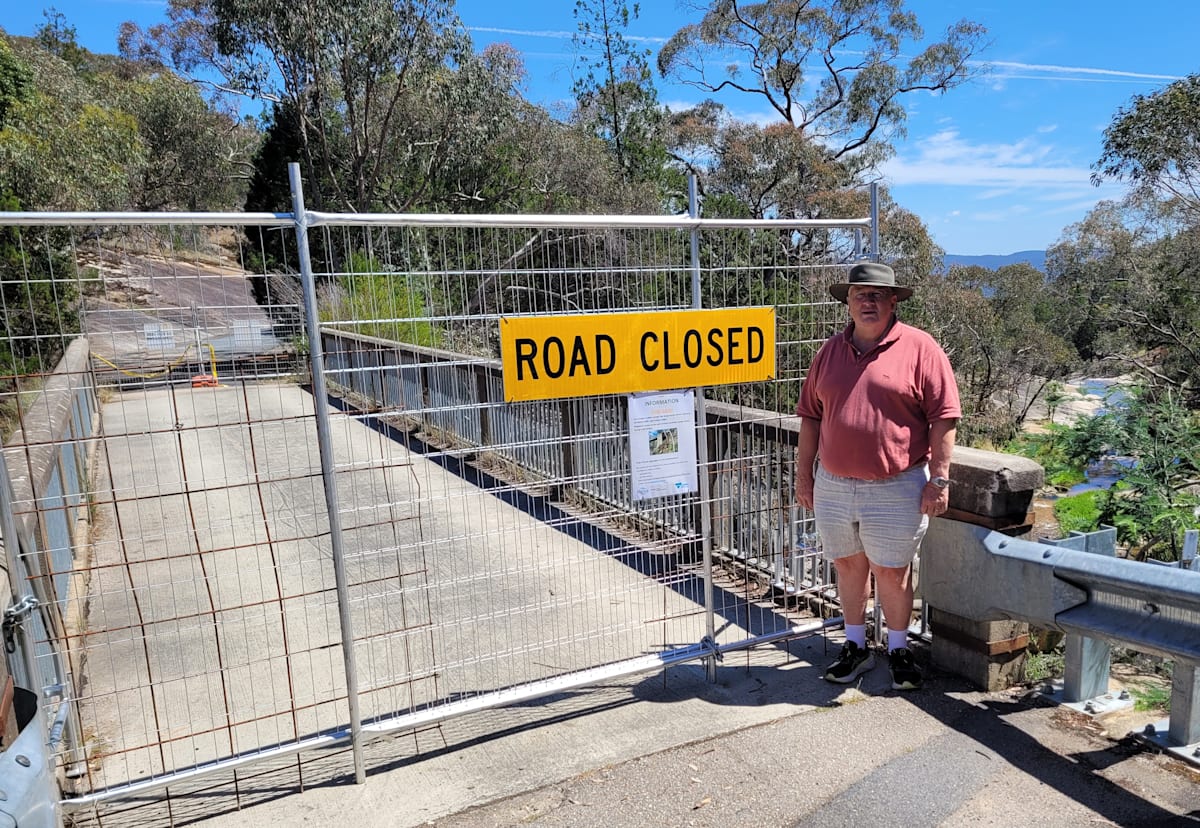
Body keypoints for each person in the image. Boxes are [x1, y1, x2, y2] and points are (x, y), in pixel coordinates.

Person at [794, 261, 960, 690]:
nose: (867, 302)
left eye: (875, 295)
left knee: (892, 571)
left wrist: (939, 479)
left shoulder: (922, 349)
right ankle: (855, 647)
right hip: (833, 483)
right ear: (847, 302)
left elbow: (945, 418)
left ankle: (899, 650)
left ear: (892, 301)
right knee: (848, 566)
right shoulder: (829, 351)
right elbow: (811, 418)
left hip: (897, 485)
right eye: (859, 295)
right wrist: (804, 477)